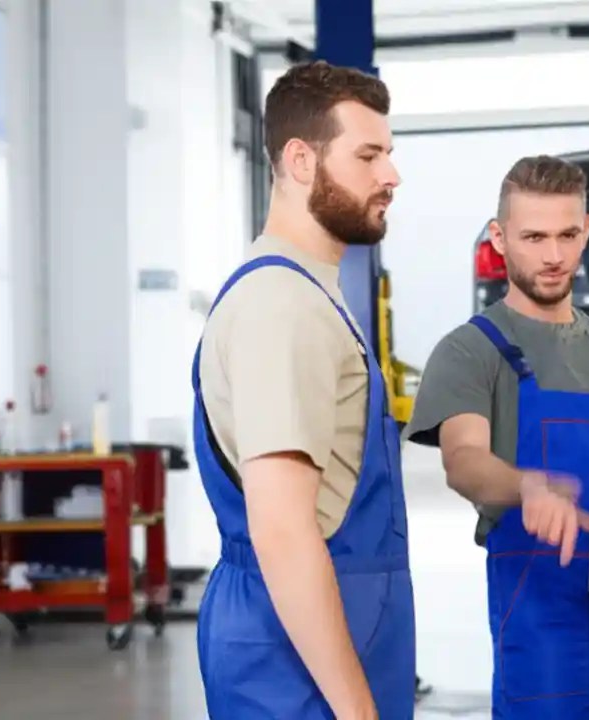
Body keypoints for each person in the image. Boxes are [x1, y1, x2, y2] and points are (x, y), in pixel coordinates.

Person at [405, 155, 589, 720]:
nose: (554, 255)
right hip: (543, 646)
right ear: (499, 238)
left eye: (567, 235)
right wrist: (526, 485)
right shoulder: (472, 350)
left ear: (586, 231)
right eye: (534, 237)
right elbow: (463, 459)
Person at [191, 61, 415, 719]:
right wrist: (358, 711)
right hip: (293, 670)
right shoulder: (281, 305)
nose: (391, 175)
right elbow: (284, 531)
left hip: (314, 642)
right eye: (368, 155)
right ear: (300, 160)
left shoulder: (307, 293)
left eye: (389, 153)